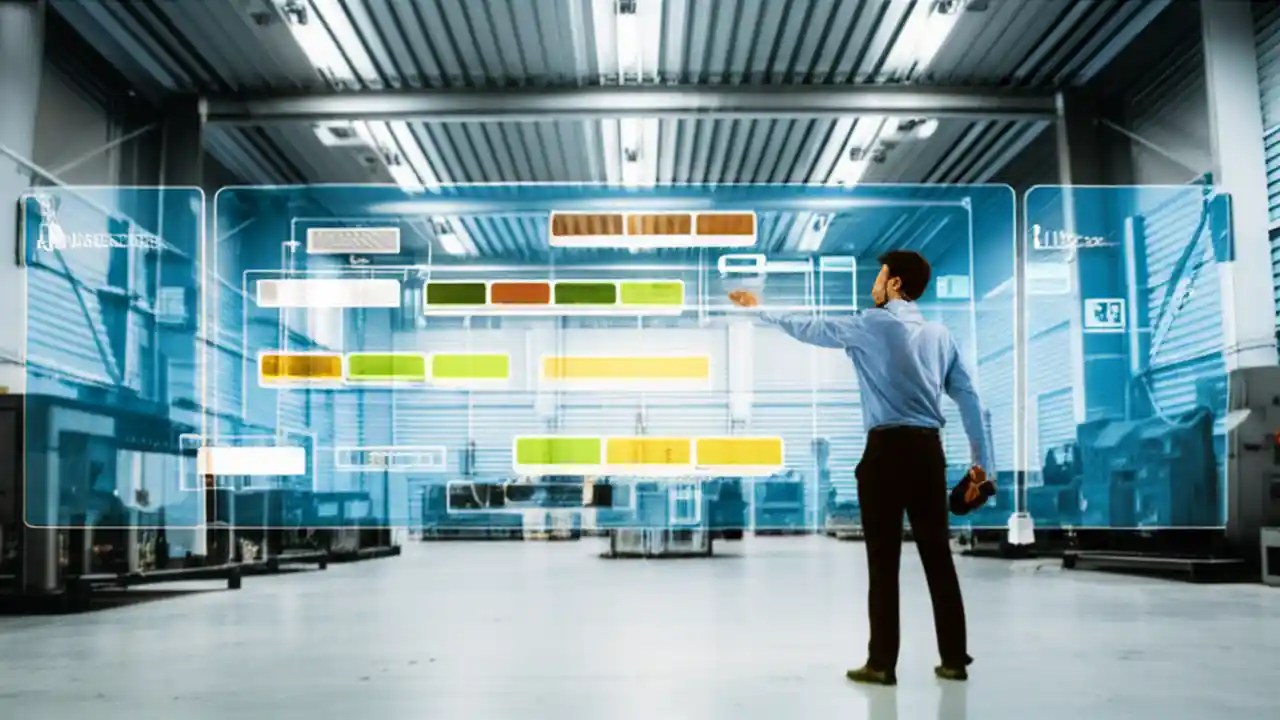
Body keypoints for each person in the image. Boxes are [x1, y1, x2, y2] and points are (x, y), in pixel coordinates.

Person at [728, 250, 991, 685]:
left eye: (880, 275)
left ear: (894, 284)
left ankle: (882, 663)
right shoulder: (941, 335)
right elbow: (969, 399)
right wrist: (981, 466)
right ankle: (954, 660)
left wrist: (762, 310)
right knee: (939, 558)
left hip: (886, 452)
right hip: (929, 452)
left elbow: (810, 327)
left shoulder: (870, 324)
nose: (874, 282)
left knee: (882, 563)